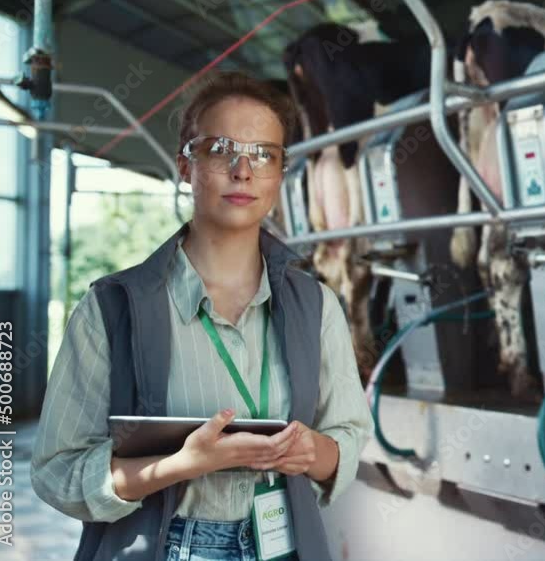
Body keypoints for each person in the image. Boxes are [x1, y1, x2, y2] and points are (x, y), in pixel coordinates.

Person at [30, 71, 373, 561]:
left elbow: (347, 435)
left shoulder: (316, 306)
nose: (242, 170)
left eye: (263, 154)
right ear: (185, 168)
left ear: (279, 173)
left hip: (283, 545)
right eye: (219, 149)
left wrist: (313, 451)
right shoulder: (112, 308)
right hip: (167, 547)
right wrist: (176, 465)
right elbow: (55, 471)